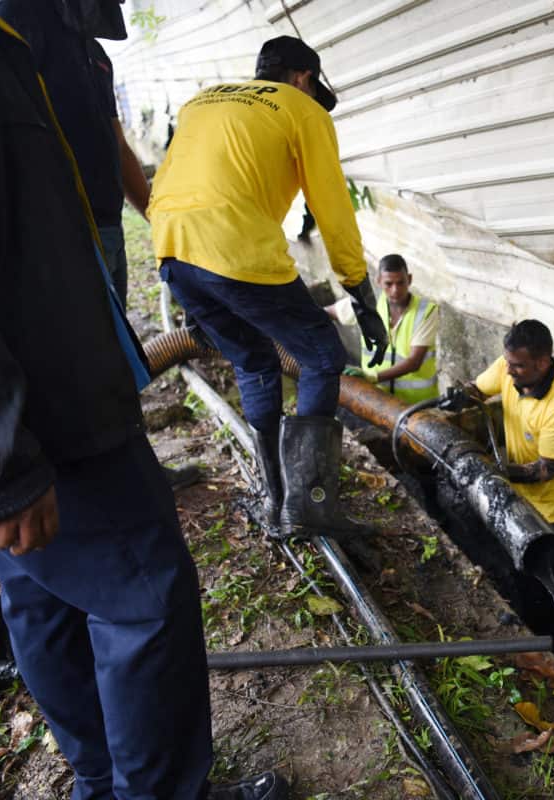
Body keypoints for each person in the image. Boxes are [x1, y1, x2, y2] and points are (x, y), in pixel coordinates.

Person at [0, 2, 283, 797]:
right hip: (33, 405)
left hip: (31, 386)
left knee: (40, 588)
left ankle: (102, 782)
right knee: (146, 597)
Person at [149, 35, 388, 541]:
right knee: (322, 356)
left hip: (171, 247)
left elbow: (170, 180)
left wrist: (191, 283)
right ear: (303, 78)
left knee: (254, 360)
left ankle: (275, 494)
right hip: (232, 247)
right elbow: (332, 206)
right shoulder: (302, 109)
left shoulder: (203, 99)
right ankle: (309, 504)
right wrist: (359, 291)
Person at [0, 0, 200, 493]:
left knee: (112, 350)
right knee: (73, 354)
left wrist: (155, 215)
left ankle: (135, 468)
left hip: (105, 221)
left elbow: (115, 141)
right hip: (58, 228)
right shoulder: (18, 21)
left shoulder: (95, 55)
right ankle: (84, 483)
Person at [464, 320, 554, 545]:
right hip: (522, 497)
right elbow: (477, 390)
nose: (508, 370)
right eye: (508, 362)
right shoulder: (510, 367)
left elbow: (545, 469)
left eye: (518, 366)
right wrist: (461, 395)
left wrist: (496, 471)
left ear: (541, 363)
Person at [355, 254, 440, 404]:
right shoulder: (368, 305)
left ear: (410, 279)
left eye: (401, 283)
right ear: (379, 281)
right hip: (378, 401)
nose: (395, 290)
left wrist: (373, 377)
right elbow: (330, 312)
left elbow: (414, 362)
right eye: (389, 284)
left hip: (417, 405)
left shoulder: (426, 311)